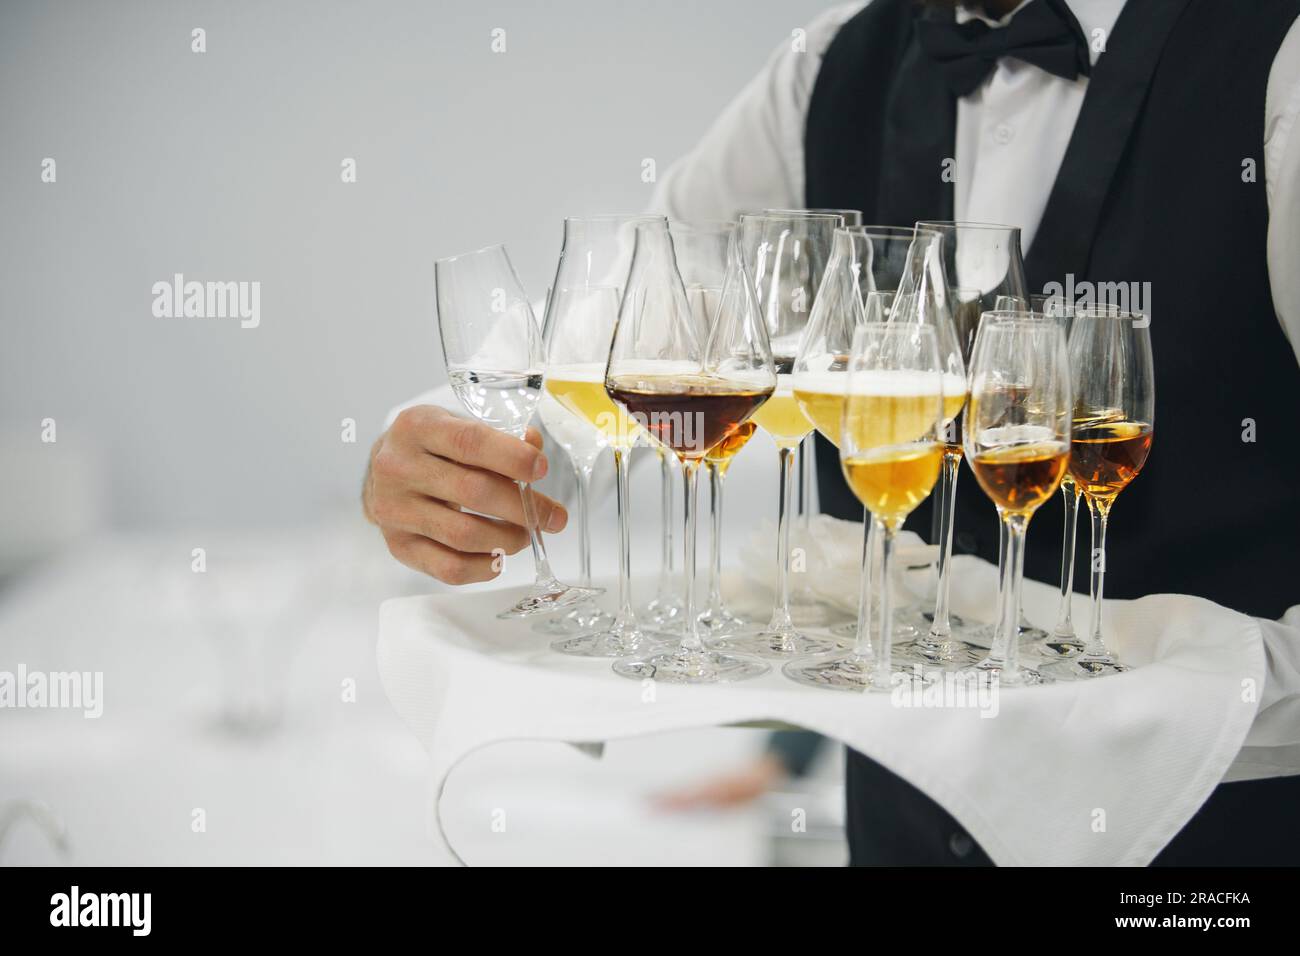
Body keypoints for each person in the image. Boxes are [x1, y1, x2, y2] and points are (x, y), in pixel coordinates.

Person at [365, 0, 1300, 864]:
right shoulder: (828, 67)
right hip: (900, 825)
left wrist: (1167, 702)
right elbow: (626, 325)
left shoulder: (1275, 52)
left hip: (1217, 841)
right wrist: (470, 454)